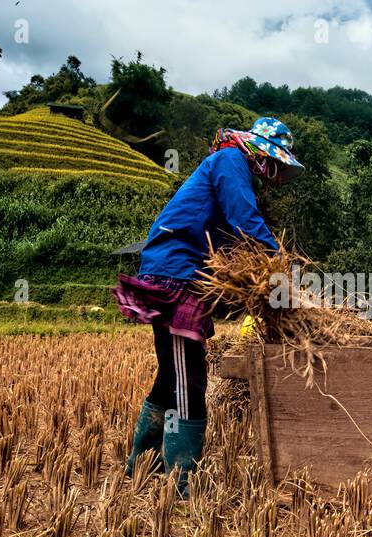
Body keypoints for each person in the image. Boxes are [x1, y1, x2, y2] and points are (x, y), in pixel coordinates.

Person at [115, 117, 302, 496]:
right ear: (262, 153)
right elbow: (245, 220)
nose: (275, 174)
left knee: (170, 376)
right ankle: (181, 480)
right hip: (177, 274)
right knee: (190, 379)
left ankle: (142, 463)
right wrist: (280, 262)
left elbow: (230, 236)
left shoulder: (226, 163)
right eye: (276, 164)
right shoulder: (231, 161)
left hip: (176, 272)